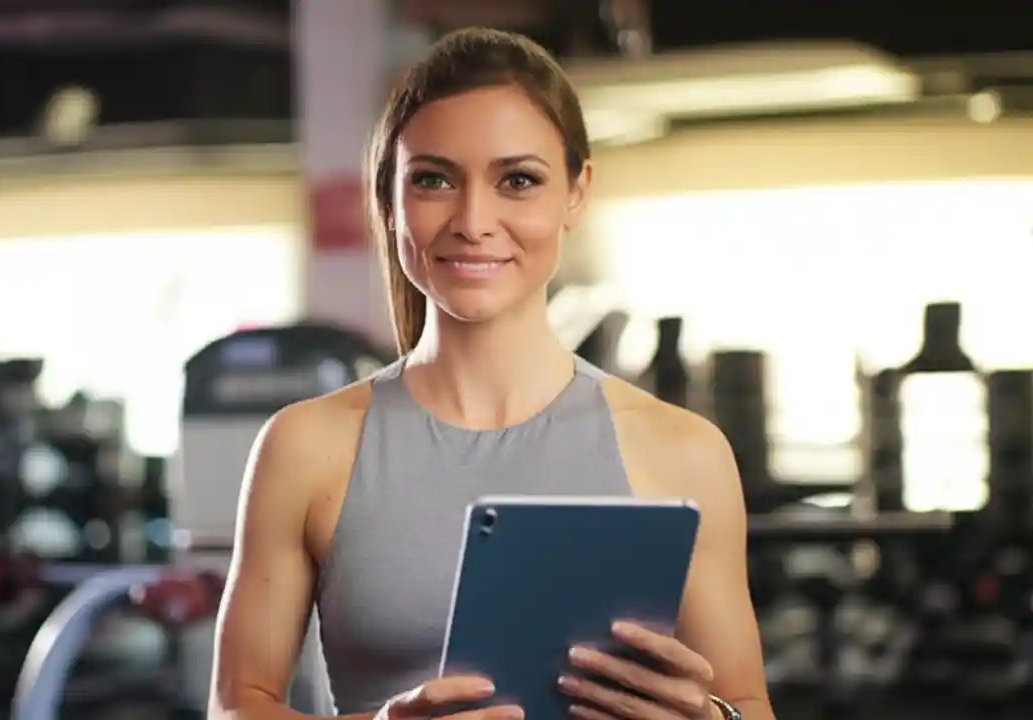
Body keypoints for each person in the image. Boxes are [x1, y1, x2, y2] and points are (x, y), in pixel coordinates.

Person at [209, 27, 775, 720]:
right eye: (434, 179)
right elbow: (238, 707)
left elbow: (749, 705)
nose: (474, 221)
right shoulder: (304, 446)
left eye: (518, 181)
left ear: (576, 192)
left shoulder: (684, 451)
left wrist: (713, 718)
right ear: (389, 201)